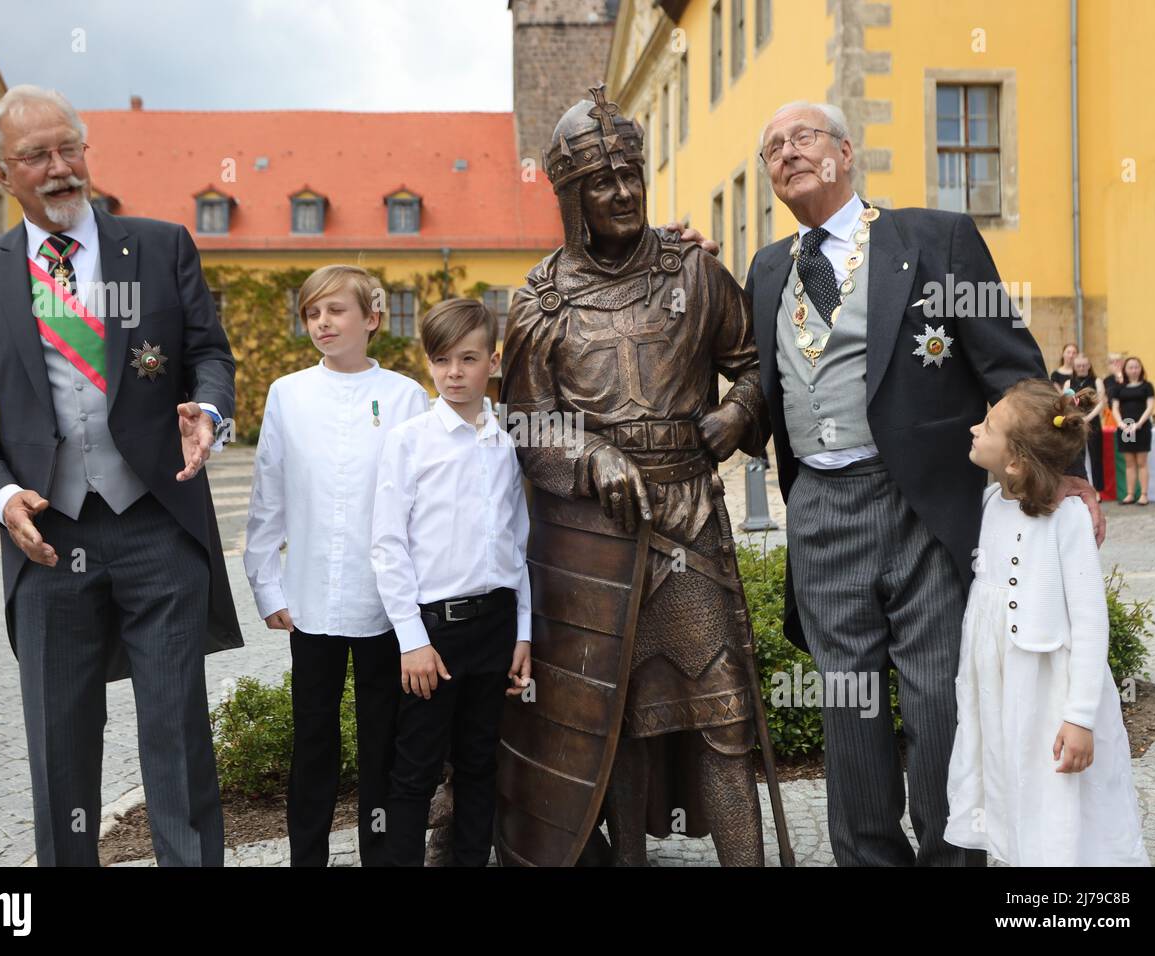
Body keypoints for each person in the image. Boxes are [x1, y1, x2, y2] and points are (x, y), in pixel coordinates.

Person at [739, 100, 1103, 866]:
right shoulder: (769, 268)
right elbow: (753, 383)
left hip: (922, 506)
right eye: (773, 148)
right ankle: (867, 858)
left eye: (803, 137)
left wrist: (1066, 474)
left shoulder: (933, 238)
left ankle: (953, 856)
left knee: (940, 697)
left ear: (844, 150)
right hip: (818, 511)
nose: (788, 153)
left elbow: (1012, 365)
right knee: (847, 706)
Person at [0, 85, 242, 866]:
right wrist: (4, 500)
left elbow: (209, 353)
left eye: (70, 147)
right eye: (37, 156)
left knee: (177, 737)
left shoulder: (161, 243)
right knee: (61, 749)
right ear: (3, 172)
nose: (61, 167)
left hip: (155, 524)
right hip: (48, 535)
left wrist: (208, 412)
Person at [498, 86, 775, 867]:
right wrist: (590, 456)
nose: (621, 192)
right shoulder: (540, 302)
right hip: (596, 542)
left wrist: (738, 414)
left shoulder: (695, 273)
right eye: (601, 182)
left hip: (687, 520)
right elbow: (525, 421)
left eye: (630, 176)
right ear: (571, 195)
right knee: (615, 726)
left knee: (722, 718)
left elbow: (753, 366)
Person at [244, 265, 429, 866]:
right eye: (312, 313)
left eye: (335, 311)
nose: (322, 322)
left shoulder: (405, 396)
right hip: (310, 602)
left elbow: (419, 505)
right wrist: (266, 583)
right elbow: (269, 493)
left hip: (385, 604)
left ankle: (379, 856)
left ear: (371, 318)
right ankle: (308, 859)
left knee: (381, 741)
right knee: (314, 741)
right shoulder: (287, 393)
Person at [944, 379, 1149, 866]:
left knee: (1060, 795)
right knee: (1012, 789)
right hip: (1000, 690)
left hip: (1049, 693)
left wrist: (1080, 717)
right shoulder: (990, 505)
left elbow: (1090, 620)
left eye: (988, 425)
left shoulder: (1068, 519)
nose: (975, 427)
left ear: (1014, 461)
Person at [370, 299, 533, 867]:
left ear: (493, 359)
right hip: (433, 637)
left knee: (479, 763)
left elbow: (518, 545)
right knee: (414, 770)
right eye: (442, 360)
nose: (455, 373)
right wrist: (412, 640)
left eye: (468, 359)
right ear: (429, 365)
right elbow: (387, 546)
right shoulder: (410, 441)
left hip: (495, 628)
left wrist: (524, 634)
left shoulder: (508, 441)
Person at [1112, 356, 1155, 505]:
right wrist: (1120, 424)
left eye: (1136, 367)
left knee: (1142, 462)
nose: (1134, 370)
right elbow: (1115, 408)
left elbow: (1150, 407)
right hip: (1125, 429)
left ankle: (1144, 494)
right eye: (1130, 367)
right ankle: (1130, 494)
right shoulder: (1119, 388)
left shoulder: (1147, 386)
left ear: (1141, 369)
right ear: (1125, 370)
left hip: (1141, 428)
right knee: (1129, 463)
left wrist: (1138, 424)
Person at [1068, 353, 1106, 494]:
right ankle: (1081, 489)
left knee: (1096, 457)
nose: (1082, 368)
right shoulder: (1069, 383)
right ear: (1074, 367)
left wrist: (1088, 418)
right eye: (1079, 365)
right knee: (1078, 458)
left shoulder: (1097, 381)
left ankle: (1097, 490)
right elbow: (1066, 403)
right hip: (1076, 425)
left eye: (1084, 365)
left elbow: (1101, 402)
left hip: (1093, 423)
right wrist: (1076, 418)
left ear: (1089, 366)